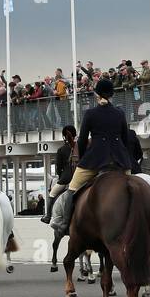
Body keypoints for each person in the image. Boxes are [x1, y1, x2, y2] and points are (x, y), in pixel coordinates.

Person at [55, 78, 132, 229]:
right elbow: (125, 139)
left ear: (97, 95)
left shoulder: (90, 113)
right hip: (120, 161)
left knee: (72, 188)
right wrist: (126, 159)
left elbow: (82, 140)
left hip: (96, 160)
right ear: (111, 95)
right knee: (133, 187)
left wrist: (83, 159)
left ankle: (65, 223)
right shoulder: (120, 113)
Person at [40, 126, 77, 223]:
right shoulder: (80, 147)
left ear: (64, 136)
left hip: (66, 179)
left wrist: (61, 176)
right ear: (75, 135)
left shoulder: (61, 150)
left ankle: (47, 216)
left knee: (52, 194)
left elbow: (58, 167)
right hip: (80, 176)